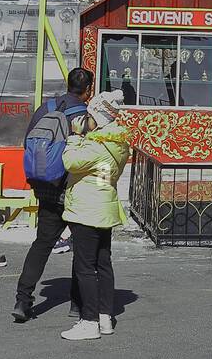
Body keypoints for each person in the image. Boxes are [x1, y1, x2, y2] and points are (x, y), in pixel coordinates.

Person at [12, 66, 94, 324]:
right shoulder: (83, 116)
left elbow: (28, 143)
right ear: (88, 90)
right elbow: (86, 157)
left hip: (44, 187)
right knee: (81, 246)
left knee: (42, 244)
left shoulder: (45, 108)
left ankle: (23, 300)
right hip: (71, 191)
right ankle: (77, 305)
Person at [60, 91, 130, 342]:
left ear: (98, 119)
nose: (84, 119)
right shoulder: (117, 144)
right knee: (103, 263)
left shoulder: (94, 145)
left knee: (85, 267)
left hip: (87, 210)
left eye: (89, 116)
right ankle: (105, 317)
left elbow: (70, 162)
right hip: (103, 205)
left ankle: (88, 321)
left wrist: (75, 137)